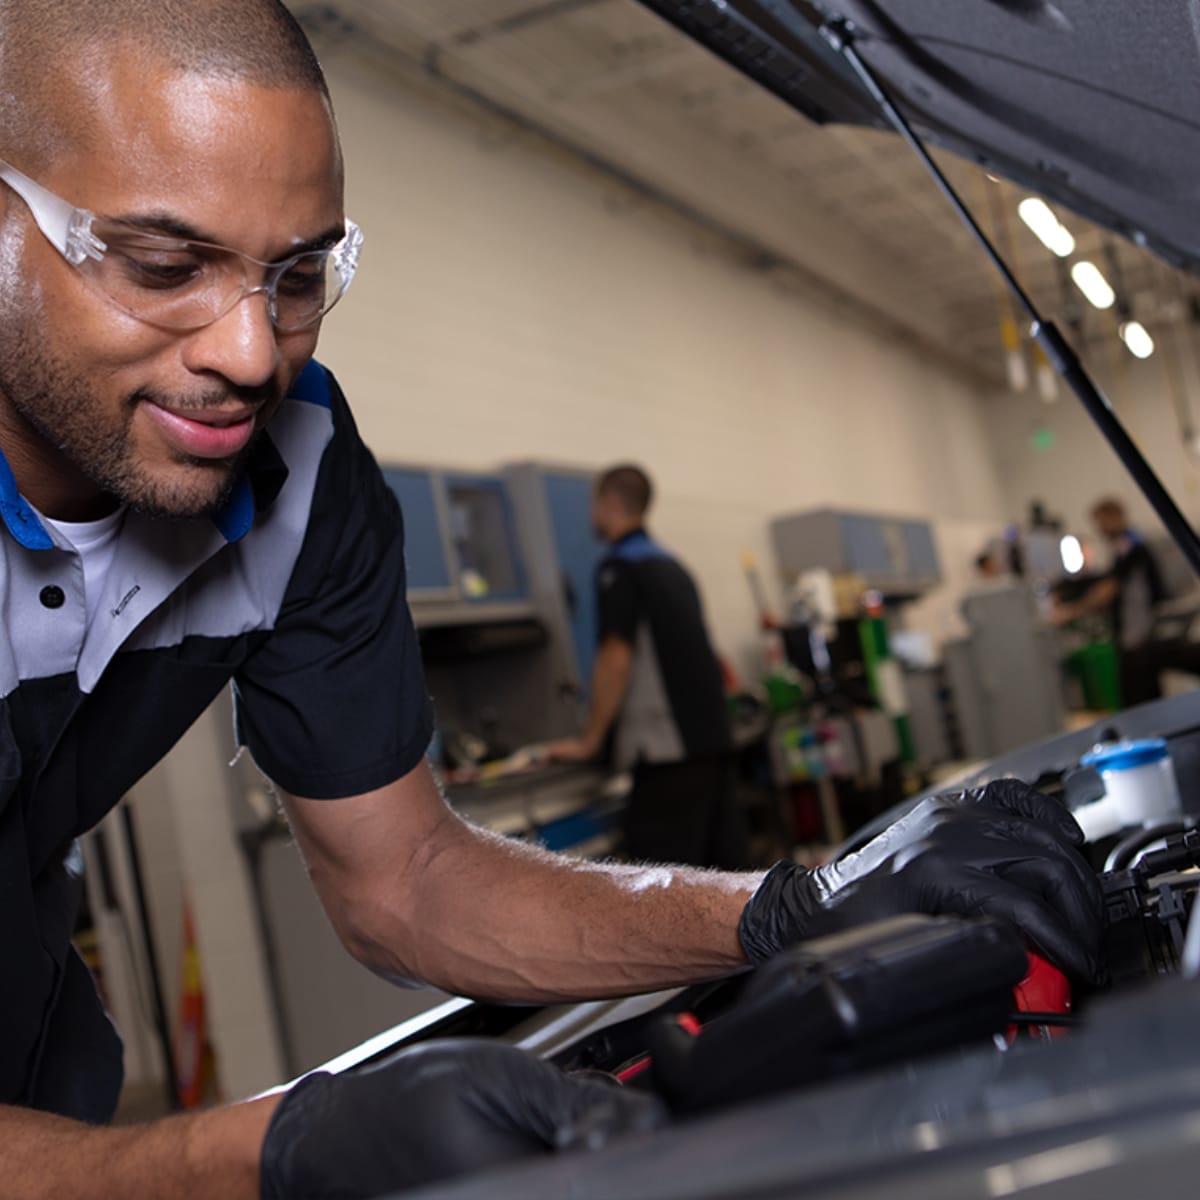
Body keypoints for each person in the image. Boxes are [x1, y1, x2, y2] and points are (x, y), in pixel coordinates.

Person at [0, 3, 1102, 1197]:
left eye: (300, 274)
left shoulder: (300, 472)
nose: (255, 352)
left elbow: (404, 880)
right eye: (166, 266)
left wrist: (792, 904)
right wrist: (259, 1152)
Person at [545, 464, 749, 868]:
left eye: (594, 504)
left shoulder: (620, 568)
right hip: (711, 744)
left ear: (610, 503)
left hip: (667, 754)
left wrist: (592, 740)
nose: (592, 515)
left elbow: (615, 658)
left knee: (662, 883)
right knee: (722, 873)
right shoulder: (673, 567)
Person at [1052, 498, 1166, 701]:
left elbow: (1110, 586)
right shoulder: (1125, 545)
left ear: (1115, 517)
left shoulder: (1128, 544)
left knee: (1140, 695)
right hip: (1136, 635)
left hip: (1138, 635)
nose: (1099, 529)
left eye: (1101, 522)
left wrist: (1074, 610)